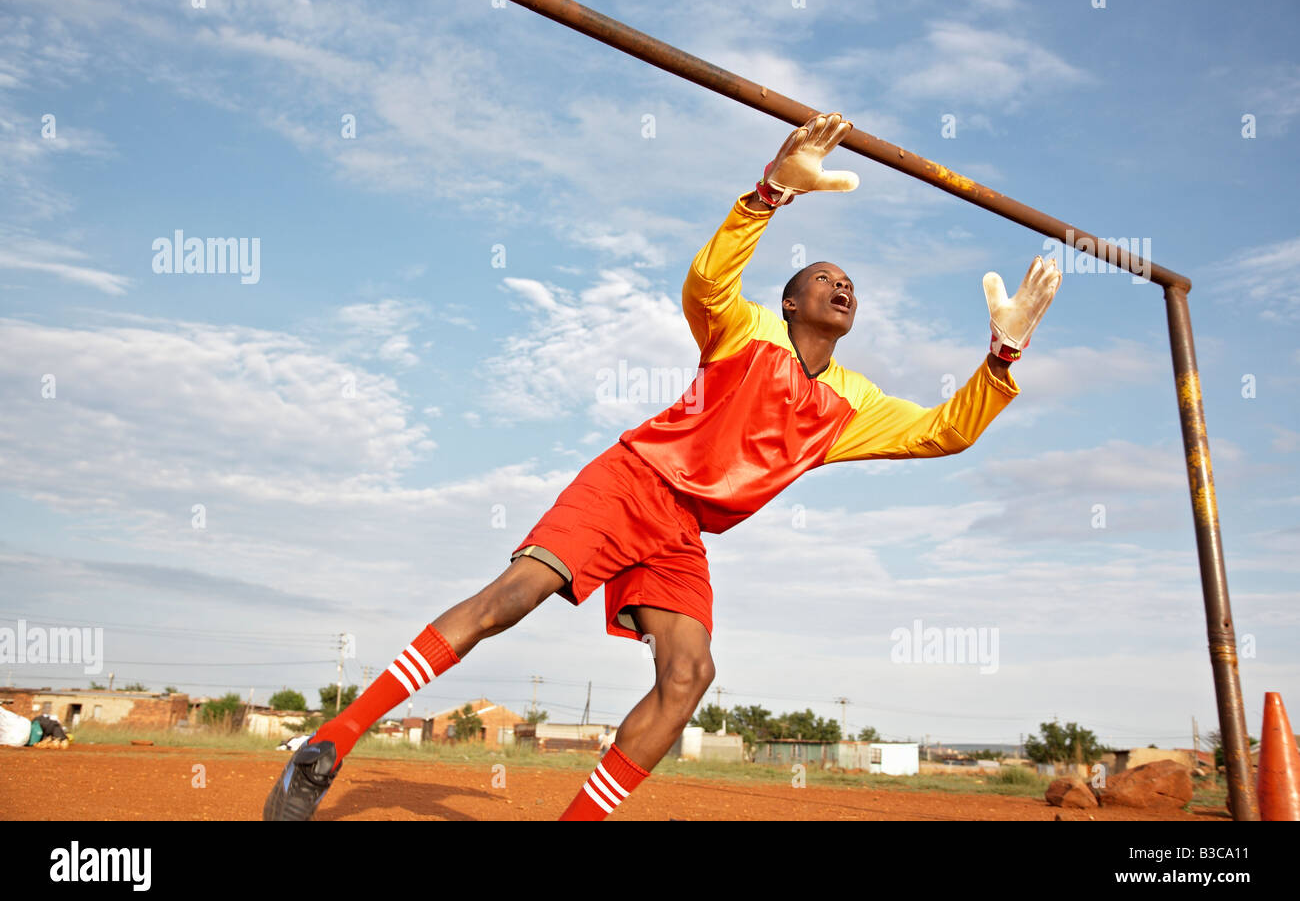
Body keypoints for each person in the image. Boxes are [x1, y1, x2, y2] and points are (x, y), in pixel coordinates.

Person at [264, 112, 1061, 821]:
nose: (840, 285)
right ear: (789, 303)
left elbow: (942, 433)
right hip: (631, 483)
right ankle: (329, 743)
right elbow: (707, 279)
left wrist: (1003, 354)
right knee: (512, 598)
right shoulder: (741, 329)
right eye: (823, 278)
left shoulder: (853, 403)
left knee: (689, 676)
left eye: (848, 284)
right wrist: (770, 193)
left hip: (683, 531)